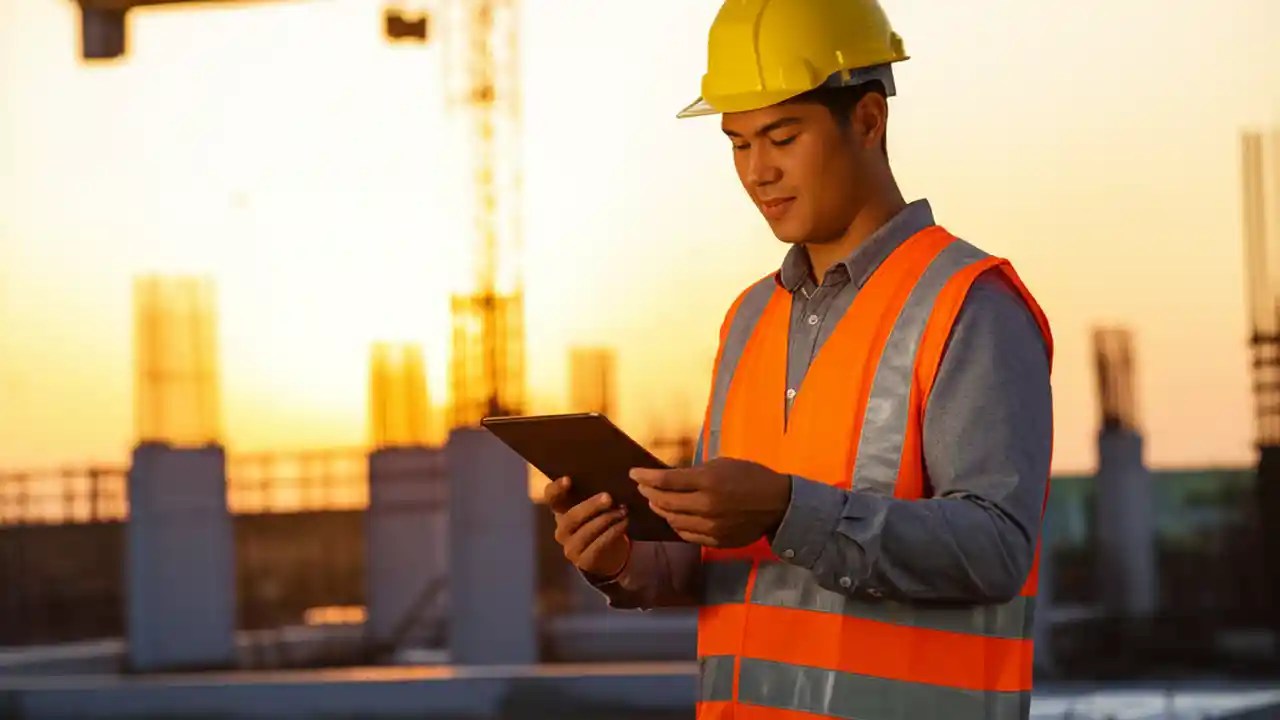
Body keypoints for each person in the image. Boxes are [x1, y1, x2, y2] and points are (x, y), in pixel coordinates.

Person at [543, 1, 1055, 718]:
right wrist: (622, 559)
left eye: (782, 136)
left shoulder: (969, 304)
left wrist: (787, 508)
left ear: (869, 121)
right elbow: (725, 563)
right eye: (738, 143)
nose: (758, 172)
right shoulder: (750, 318)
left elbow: (996, 549)